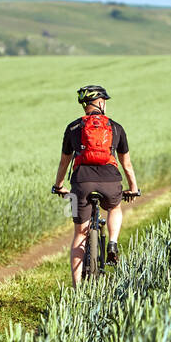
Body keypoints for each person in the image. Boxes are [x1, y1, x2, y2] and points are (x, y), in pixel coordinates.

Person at [52, 85, 140, 285]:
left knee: (79, 233)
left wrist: (58, 186)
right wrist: (133, 188)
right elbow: (126, 164)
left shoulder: (73, 128)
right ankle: (112, 243)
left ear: (85, 105)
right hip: (110, 181)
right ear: (100, 103)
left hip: (81, 183)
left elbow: (64, 162)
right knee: (115, 208)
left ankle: (76, 287)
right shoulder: (116, 127)